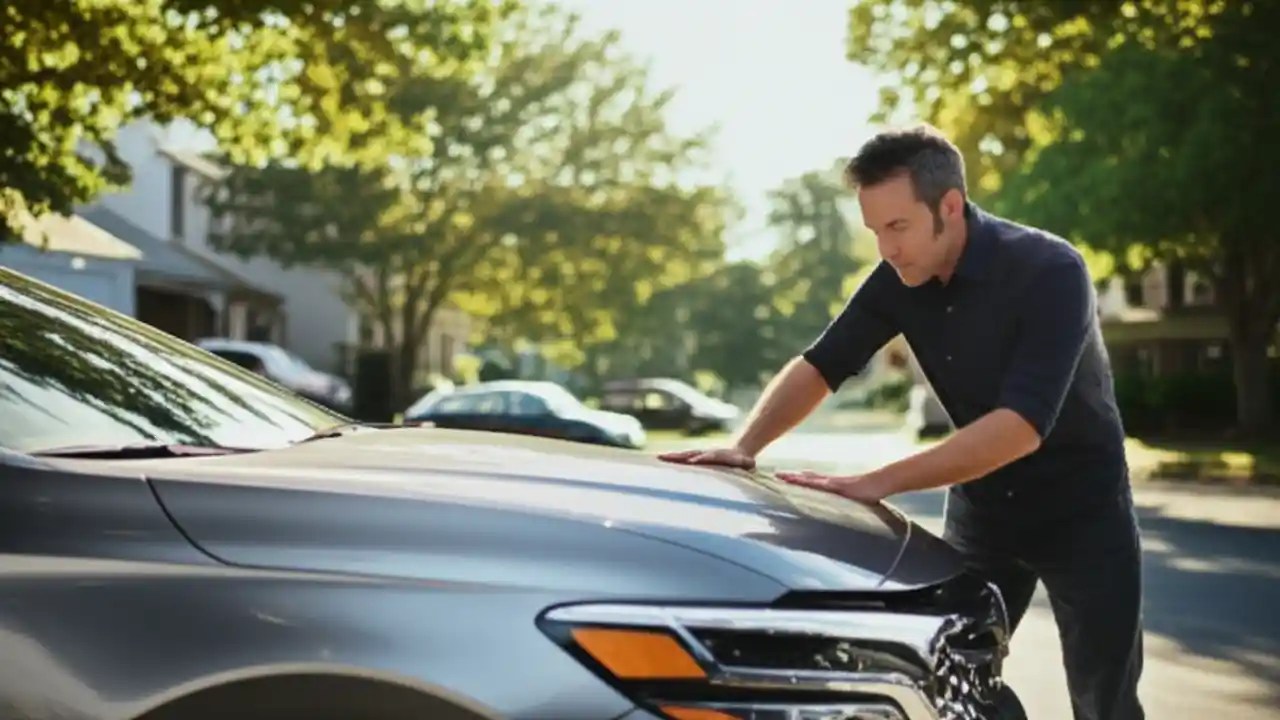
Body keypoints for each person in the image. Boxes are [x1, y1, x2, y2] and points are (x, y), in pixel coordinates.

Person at [660, 124, 1145, 720]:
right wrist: (745, 445)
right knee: (946, 681)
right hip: (985, 513)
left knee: (1105, 699)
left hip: (1085, 513)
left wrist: (879, 481)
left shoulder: (1050, 271)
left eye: (898, 227)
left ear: (950, 206)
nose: (887, 249)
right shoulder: (898, 279)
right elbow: (823, 364)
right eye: (875, 232)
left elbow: (1021, 425)